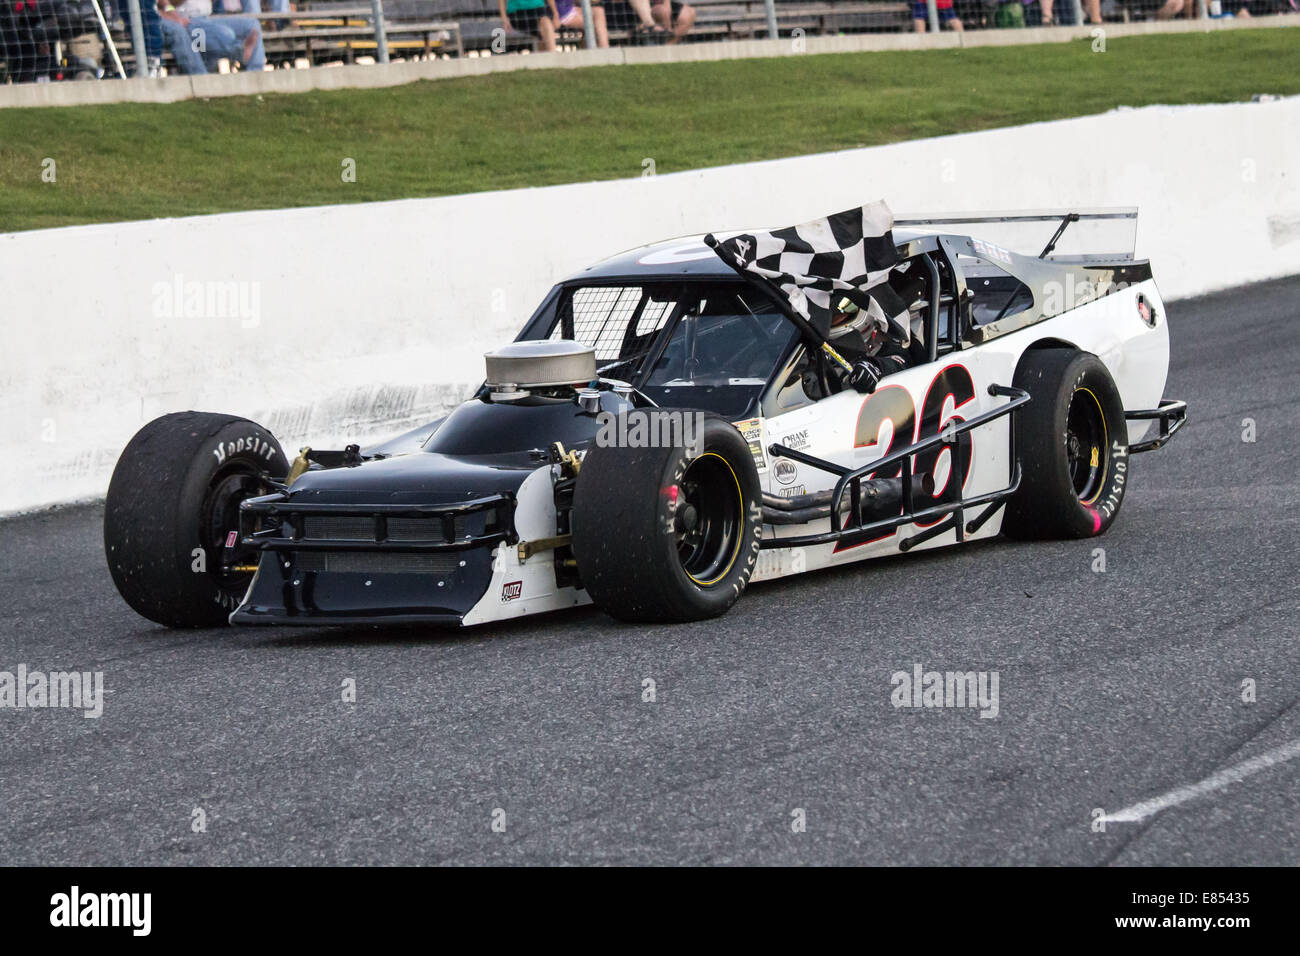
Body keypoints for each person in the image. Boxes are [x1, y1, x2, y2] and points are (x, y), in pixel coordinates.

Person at [159, 0, 266, 73]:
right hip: (187, 20)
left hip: (209, 18)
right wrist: (174, 15)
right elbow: (165, 4)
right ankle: (238, 50)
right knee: (225, 33)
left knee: (252, 24)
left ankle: (256, 73)